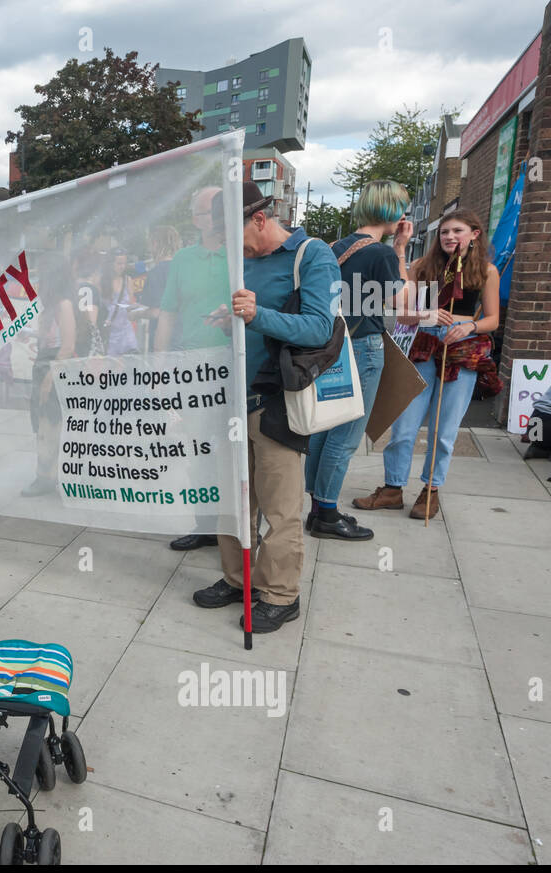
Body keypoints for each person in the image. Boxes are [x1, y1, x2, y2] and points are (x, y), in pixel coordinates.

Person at [192, 182, 339, 634]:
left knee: (279, 505)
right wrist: (228, 323)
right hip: (233, 397)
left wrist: (258, 316)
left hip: (277, 399)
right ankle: (239, 580)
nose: (230, 246)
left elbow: (319, 328)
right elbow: (243, 325)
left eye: (233, 233)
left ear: (260, 218)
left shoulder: (311, 255)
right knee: (233, 502)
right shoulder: (241, 260)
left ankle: (280, 595)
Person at [353, 208, 501, 521]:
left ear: (474, 234)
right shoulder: (424, 266)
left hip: (461, 349)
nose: (449, 237)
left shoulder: (487, 271)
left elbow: (492, 319)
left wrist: (470, 327)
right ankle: (392, 488)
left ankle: (430, 490)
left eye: (457, 231)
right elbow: (403, 307)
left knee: (443, 428)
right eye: (445, 232)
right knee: (404, 425)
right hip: (423, 343)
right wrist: (401, 249)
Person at [305, 181, 412, 541]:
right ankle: (328, 512)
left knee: (323, 428)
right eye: (402, 209)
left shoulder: (334, 247)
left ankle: (318, 508)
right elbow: (402, 304)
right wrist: (400, 250)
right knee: (347, 433)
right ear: (391, 212)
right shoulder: (381, 254)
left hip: (330, 347)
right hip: (364, 347)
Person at [158, 187, 232, 551]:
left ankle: (236, 526)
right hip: (193, 368)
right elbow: (168, 313)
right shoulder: (182, 260)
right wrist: (157, 367)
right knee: (198, 449)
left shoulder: (241, 255)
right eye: (209, 212)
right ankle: (204, 524)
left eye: (222, 210)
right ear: (196, 219)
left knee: (235, 451)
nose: (218, 218)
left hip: (235, 366)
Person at [22, 252, 79, 497]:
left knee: (50, 425)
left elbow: (68, 345)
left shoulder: (64, 304)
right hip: (46, 366)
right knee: (42, 424)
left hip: (54, 370)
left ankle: (45, 476)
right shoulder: (53, 304)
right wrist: (34, 337)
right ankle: (46, 474)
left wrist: (49, 378)